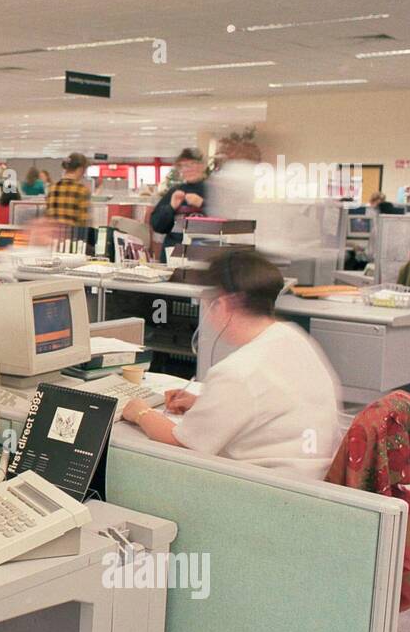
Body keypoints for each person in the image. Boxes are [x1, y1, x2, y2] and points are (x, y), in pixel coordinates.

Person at [121, 250, 341, 482]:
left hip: (271, 489)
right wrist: (203, 404)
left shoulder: (238, 371)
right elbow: (274, 406)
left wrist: (140, 412)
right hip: (314, 479)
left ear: (222, 303)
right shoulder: (293, 337)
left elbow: (183, 444)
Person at [150, 148, 208, 257]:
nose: (187, 169)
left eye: (192, 164)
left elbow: (227, 222)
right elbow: (157, 226)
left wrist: (202, 204)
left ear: (202, 166)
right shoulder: (175, 192)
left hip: (204, 254)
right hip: (173, 254)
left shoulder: (213, 191)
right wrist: (171, 207)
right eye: (183, 165)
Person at [43, 152, 92, 229]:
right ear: (80, 169)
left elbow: (47, 217)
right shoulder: (82, 190)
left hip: (53, 237)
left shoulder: (51, 188)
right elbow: (84, 222)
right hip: (72, 238)